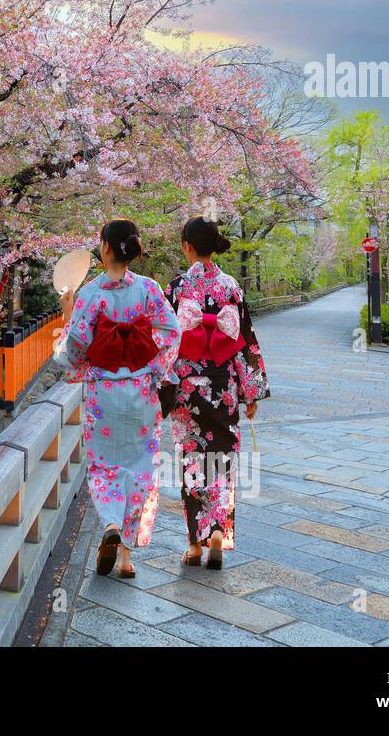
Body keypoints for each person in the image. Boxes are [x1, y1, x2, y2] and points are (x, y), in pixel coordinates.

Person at [55, 220, 180, 579]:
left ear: (105, 249)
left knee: (104, 468)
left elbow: (76, 348)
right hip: (141, 392)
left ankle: (110, 523)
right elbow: (172, 331)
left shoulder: (91, 294)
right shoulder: (149, 289)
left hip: (102, 395)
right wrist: (155, 369)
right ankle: (126, 557)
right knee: (140, 468)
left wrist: (67, 321)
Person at [159, 217, 269, 570]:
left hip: (188, 385)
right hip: (224, 384)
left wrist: (160, 384)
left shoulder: (176, 288)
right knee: (223, 461)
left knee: (192, 460)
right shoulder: (232, 287)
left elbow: (163, 341)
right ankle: (218, 530)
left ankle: (194, 544)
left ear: (187, 247)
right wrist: (250, 392)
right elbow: (244, 341)